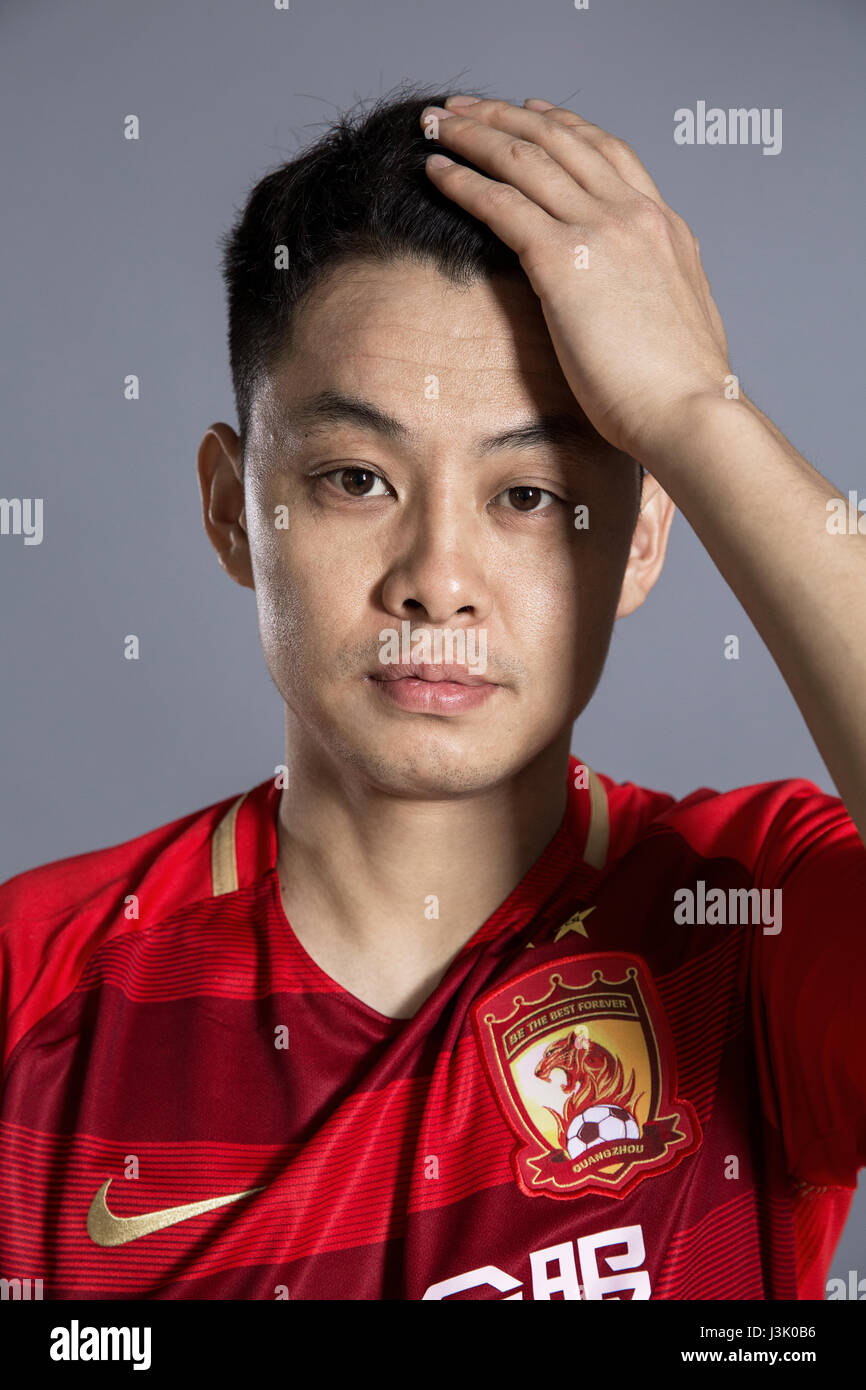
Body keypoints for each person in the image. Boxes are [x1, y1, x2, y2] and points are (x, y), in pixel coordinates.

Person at [1, 84, 864, 1301]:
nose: (436, 582)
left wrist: (690, 414)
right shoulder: (30, 984)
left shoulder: (753, 921)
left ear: (642, 536)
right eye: (357, 477)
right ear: (229, 508)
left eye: (525, 493)